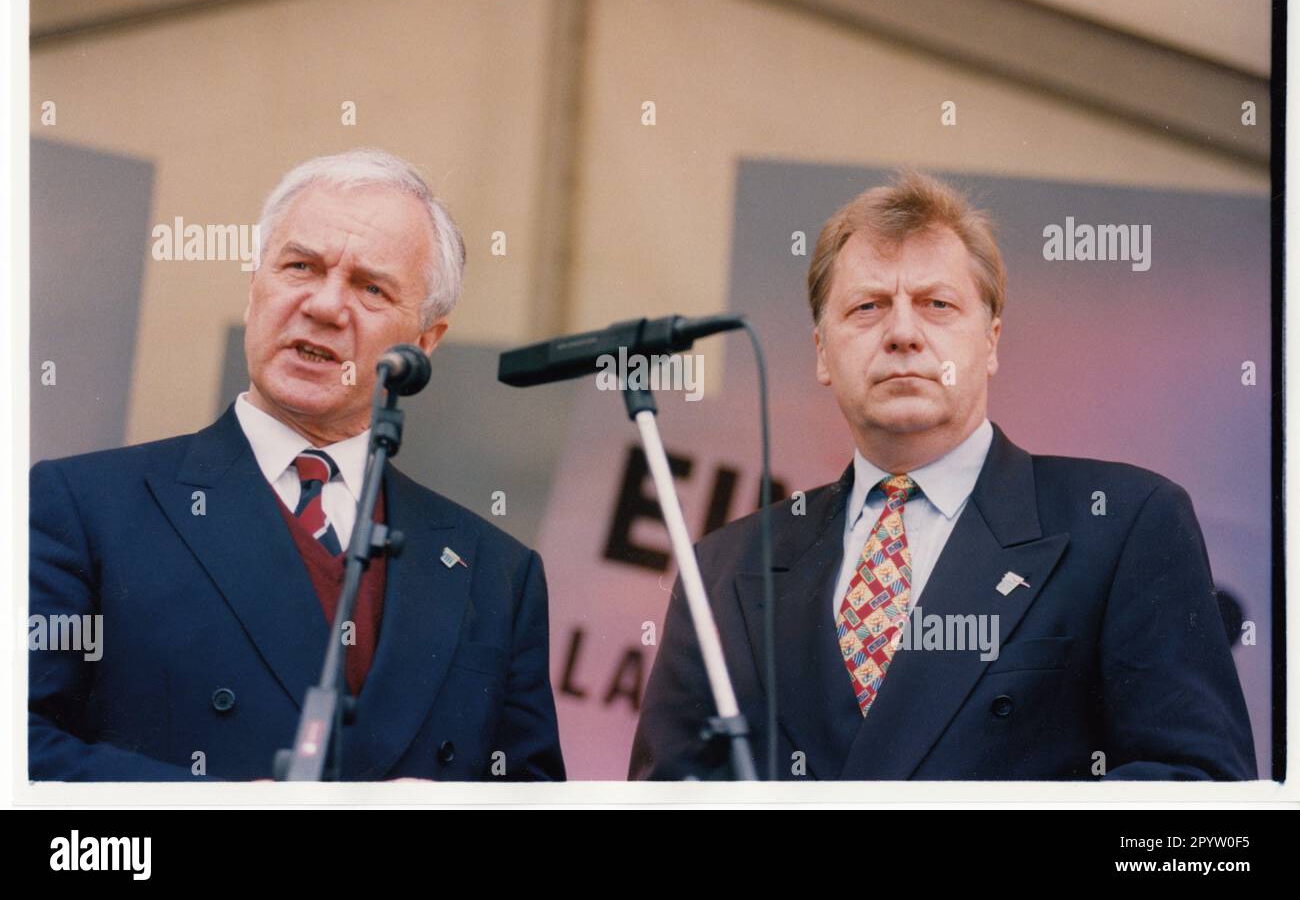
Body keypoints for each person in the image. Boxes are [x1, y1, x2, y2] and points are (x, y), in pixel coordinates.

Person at [629, 170, 1256, 781]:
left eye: (937, 305)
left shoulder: (1125, 523)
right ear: (822, 352)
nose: (903, 332)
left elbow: (1196, 799)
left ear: (991, 340)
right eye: (868, 307)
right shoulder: (721, 569)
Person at [30, 148, 565, 781]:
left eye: (371, 287)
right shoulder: (84, 508)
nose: (325, 306)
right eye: (300, 266)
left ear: (425, 342)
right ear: (254, 283)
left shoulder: (496, 574)